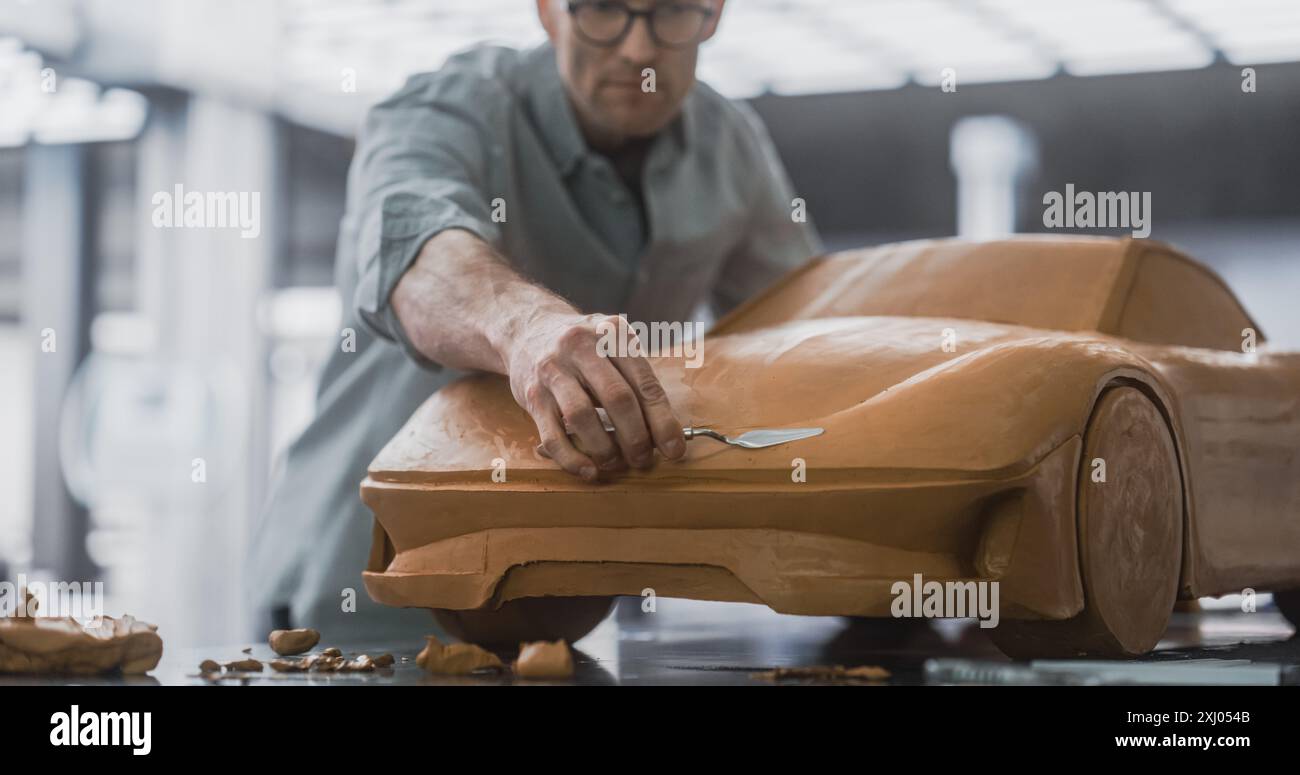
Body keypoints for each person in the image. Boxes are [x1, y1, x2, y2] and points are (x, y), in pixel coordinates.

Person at [248, 0, 821, 638]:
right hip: (356, 590)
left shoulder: (730, 144)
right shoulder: (448, 108)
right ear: (549, 11)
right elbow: (416, 259)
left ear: (713, 14)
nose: (637, 49)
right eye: (604, 9)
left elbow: (799, 329)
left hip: (558, 614)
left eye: (673, 11)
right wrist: (524, 328)